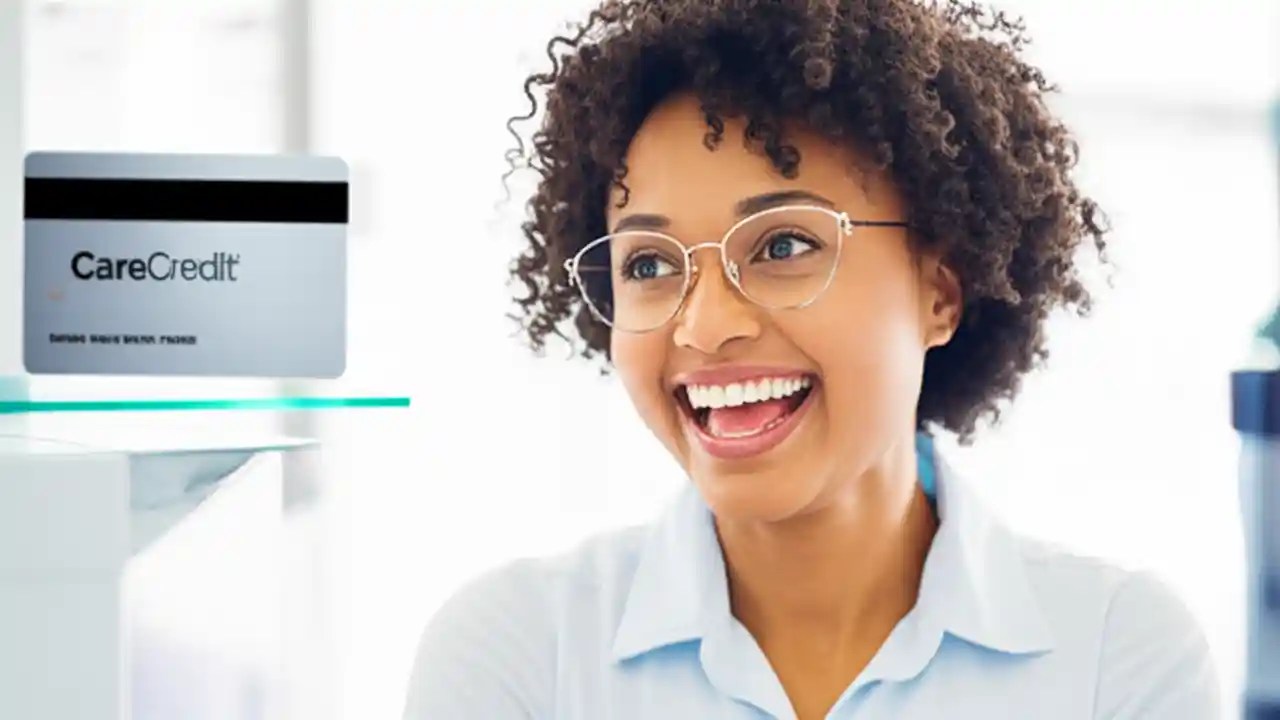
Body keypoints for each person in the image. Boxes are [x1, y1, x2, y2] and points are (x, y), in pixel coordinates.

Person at [405, 0, 1221, 717]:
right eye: (649, 264)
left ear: (941, 290)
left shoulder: (1116, 659)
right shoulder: (518, 657)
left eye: (784, 245)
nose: (705, 326)